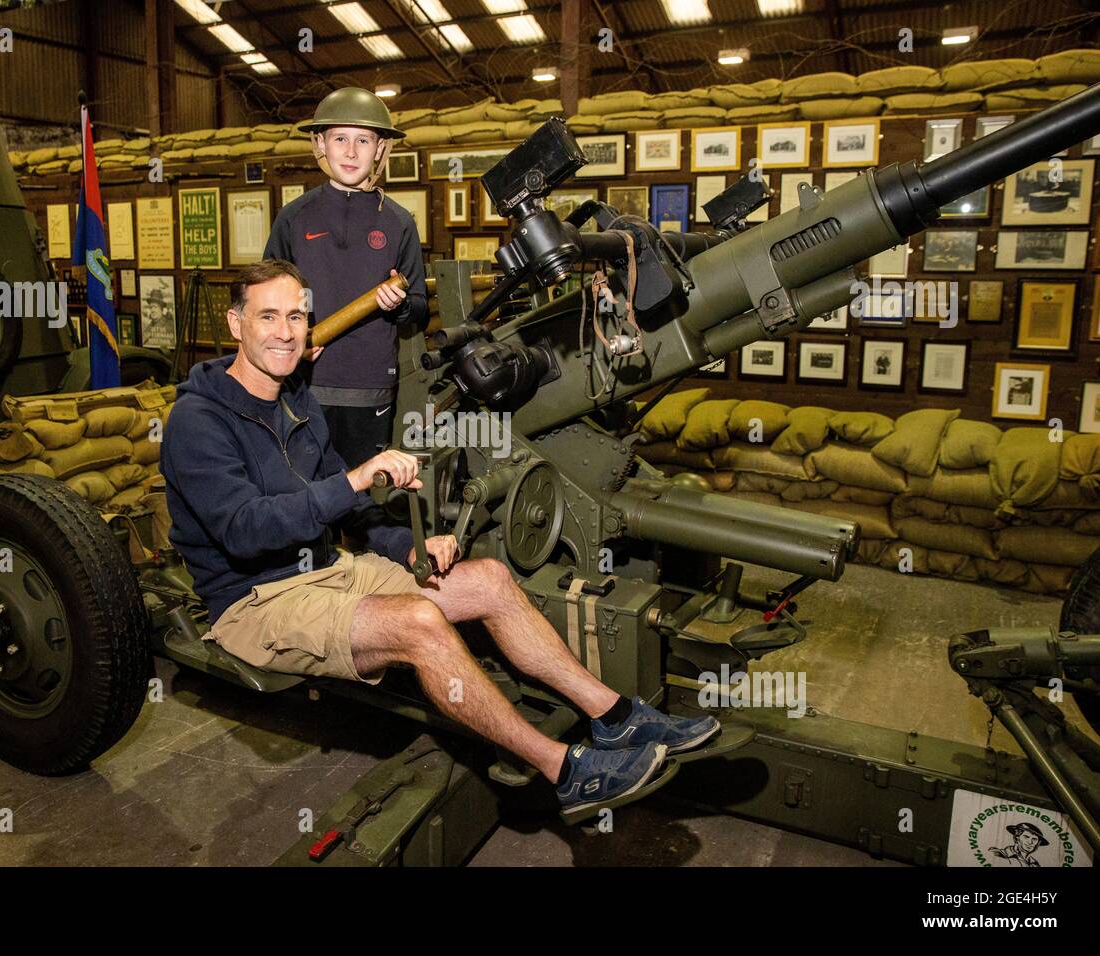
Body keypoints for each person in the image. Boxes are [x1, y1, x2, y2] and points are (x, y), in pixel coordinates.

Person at [160, 259, 720, 818]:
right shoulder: (197, 421)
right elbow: (245, 531)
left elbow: (352, 510)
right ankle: (564, 769)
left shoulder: (295, 397)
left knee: (490, 580)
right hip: (257, 601)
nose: (284, 331)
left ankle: (617, 717)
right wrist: (354, 478)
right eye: (267, 317)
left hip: (328, 567)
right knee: (421, 623)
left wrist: (406, 544)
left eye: (296, 317)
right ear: (236, 324)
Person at [263, 88, 426, 468]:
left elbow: (418, 307)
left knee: (361, 504)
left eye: (363, 140)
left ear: (380, 149)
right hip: (302, 386)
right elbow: (265, 302)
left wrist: (399, 305)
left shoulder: (399, 222)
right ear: (320, 143)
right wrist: (289, 340)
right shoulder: (294, 217)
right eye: (340, 139)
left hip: (370, 389)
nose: (351, 152)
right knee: (303, 499)